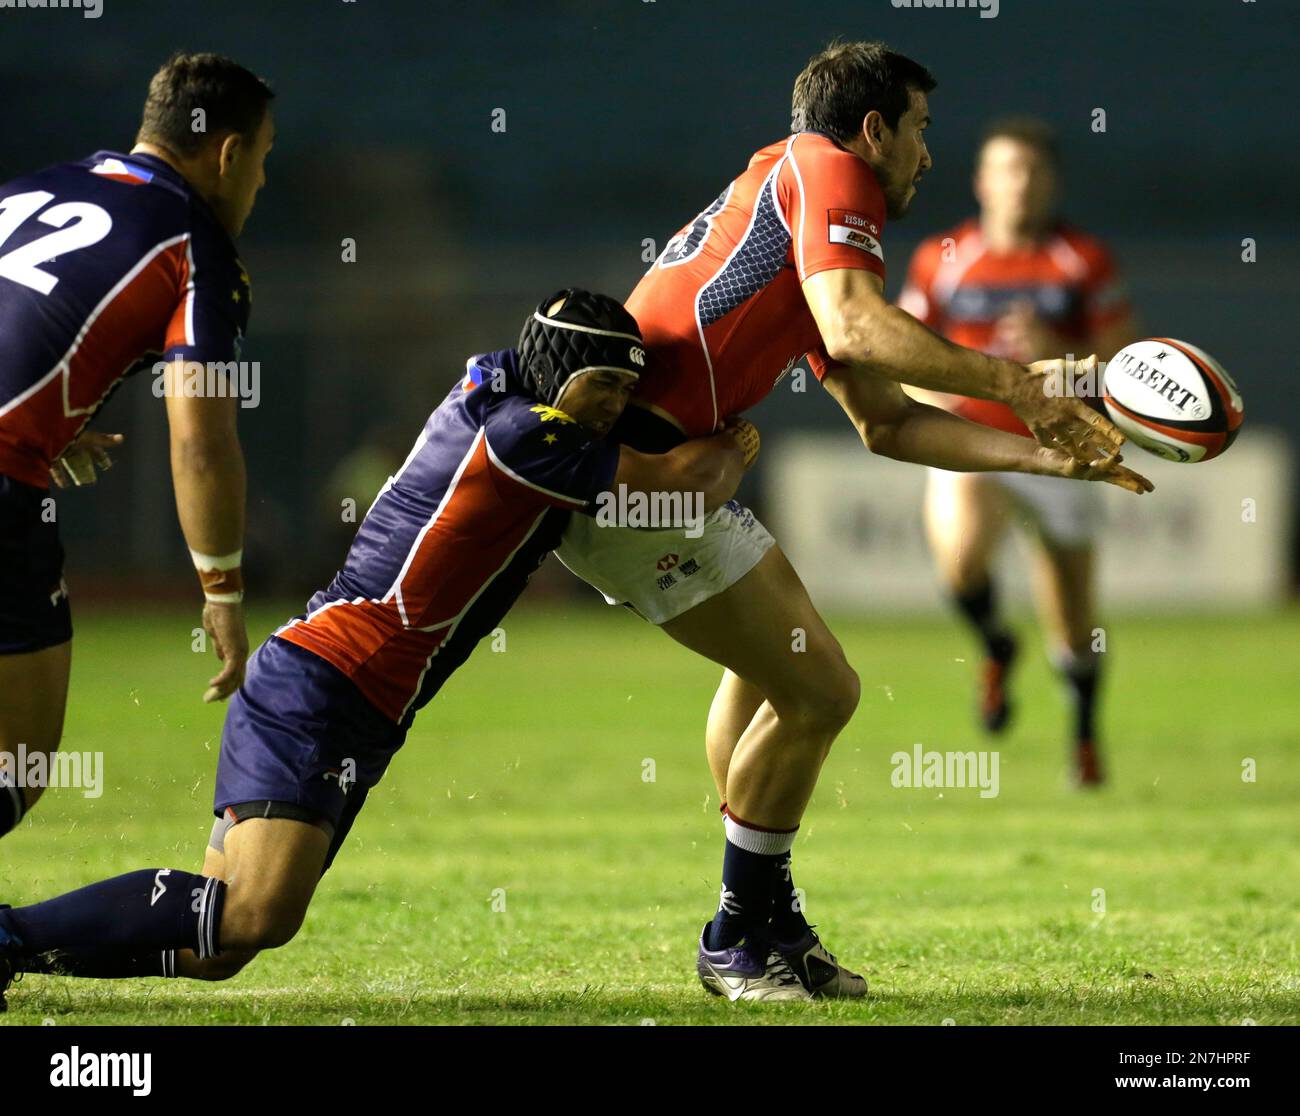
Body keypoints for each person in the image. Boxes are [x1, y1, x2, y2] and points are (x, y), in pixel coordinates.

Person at [552, 41, 1151, 1001]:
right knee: (822, 691)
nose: (926, 155)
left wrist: (1048, 456)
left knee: (774, 681)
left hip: (657, 475)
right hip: (639, 474)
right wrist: (1020, 386)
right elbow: (856, 327)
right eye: (919, 130)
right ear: (871, 129)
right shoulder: (827, 171)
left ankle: (768, 922)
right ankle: (736, 936)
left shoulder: (799, 220)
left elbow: (891, 422)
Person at [0, 289, 756, 1008]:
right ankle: (7, 939)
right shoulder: (525, 435)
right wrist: (734, 443)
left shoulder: (496, 383)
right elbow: (684, 486)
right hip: (331, 681)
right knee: (255, 916)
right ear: (560, 375)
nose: (618, 408)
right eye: (607, 388)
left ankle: (16, 946)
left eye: (629, 391)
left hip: (347, 690)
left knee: (221, 943)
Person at [0, 52, 275, 841]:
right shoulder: (197, 245)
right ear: (227, 153)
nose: (258, 184)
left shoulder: (27, 189)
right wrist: (221, 592)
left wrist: (48, 417)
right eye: (262, 160)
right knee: (17, 759)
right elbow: (200, 442)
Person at [897, 116, 1138, 784]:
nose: (1019, 184)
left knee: (1074, 618)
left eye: (1031, 171)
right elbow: (902, 351)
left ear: (1051, 182)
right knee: (961, 560)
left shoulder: (1082, 260)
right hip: (976, 439)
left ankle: (1084, 733)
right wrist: (935, 400)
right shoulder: (941, 259)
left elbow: (1126, 365)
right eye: (1005, 169)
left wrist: (1056, 359)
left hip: (1063, 446)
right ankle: (998, 645)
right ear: (980, 181)